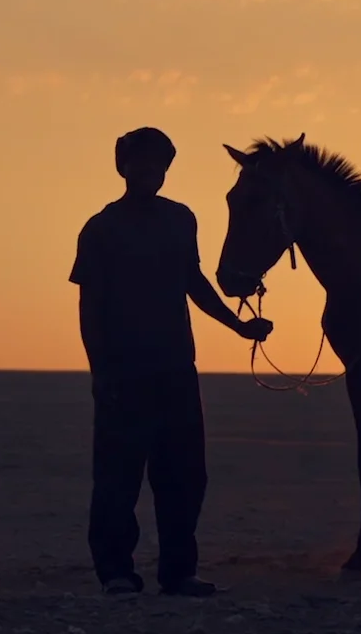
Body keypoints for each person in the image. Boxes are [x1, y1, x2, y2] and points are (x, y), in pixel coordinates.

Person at [70, 127, 272, 596]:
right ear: (122, 168)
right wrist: (102, 373)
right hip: (124, 374)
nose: (150, 173)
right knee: (118, 478)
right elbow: (90, 310)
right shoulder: (100, 230)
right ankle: (116, 572)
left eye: (159, 165)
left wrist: (239, 327)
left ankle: (179, 571)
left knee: (183, 477)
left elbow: (194, 283)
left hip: (177, 371)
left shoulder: (181, 220)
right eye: (141, 164)